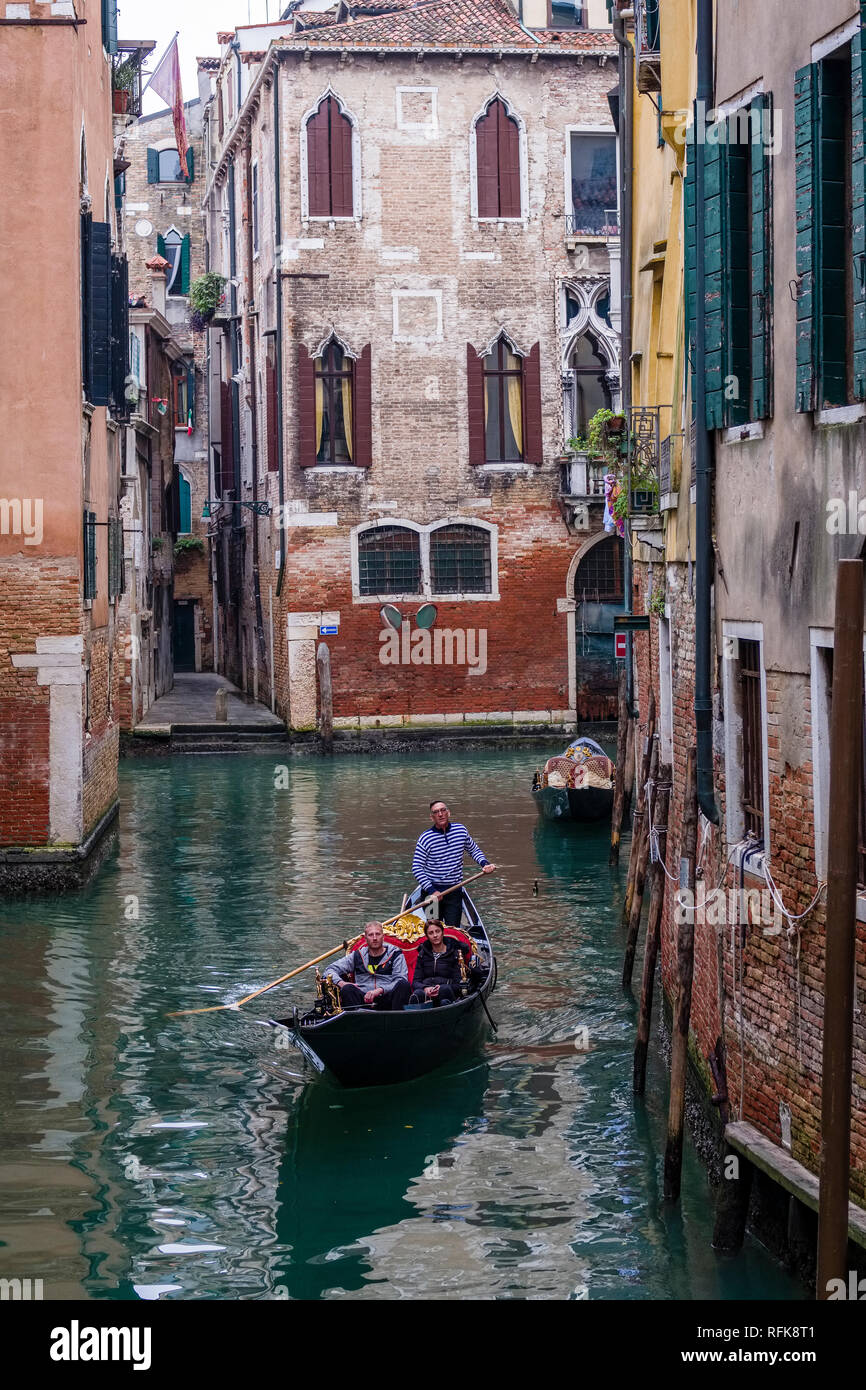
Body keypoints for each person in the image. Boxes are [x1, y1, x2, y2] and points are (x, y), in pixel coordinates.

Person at [412, 799, 496, 928]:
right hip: (431, 893)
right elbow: (417, 867)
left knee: (453, 928)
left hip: (454, 890)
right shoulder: (426, 838)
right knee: (433, 929)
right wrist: (432, 890)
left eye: (443, 810)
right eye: (436, 812)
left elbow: (473, 850)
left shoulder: (461, 831)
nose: (440, 814)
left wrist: (484, 863)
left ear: (448, 813)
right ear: (432, 817)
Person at [324, 921, 410, 1010]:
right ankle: (358, 1019)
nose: (375, 938)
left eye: (378, 934)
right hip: (363, 999)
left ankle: (397, 1019)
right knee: (347, 989)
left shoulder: (395, 954)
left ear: (383, 937)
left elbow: (401, 978)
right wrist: (342, 983)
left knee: (403, 985)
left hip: (388, 997)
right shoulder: (357, 956)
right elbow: (329, 970)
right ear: (365, 938)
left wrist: (380, 990)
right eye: (371, 935)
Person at [409, 918, 469, 1006]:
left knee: (444, 990)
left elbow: (458, 983)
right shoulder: (422, 954)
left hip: (447, 991)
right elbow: (416, 981)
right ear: (427, 936)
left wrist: (440, 987)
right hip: (428, 991)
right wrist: (425, 988)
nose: (435, 935)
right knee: (418, 994)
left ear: (443, 933)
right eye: (431, 933)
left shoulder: (455, 953)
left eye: (437, 931)